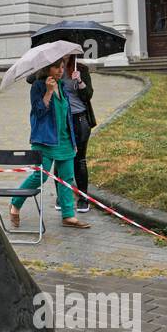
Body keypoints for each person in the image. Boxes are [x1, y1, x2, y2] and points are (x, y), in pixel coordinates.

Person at [10, 59, 90, 230]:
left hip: (65, 140)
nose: (61, 71)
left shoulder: (62, 86)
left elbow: (67, 115)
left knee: (67, 178)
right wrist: (48, 92)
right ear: (47, 68)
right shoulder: (38, 86)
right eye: (57, 67)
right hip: (45, 140)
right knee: (40, 176)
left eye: (62, 67)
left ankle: (68, 216)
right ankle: (15, 204)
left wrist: (73, 141)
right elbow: (38, 112)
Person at [62, 54, 96, 213]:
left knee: (79, 159)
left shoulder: (80, 69)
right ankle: (62, 196)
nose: (64, 54)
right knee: (60, 158)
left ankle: (83, 198)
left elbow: (88, 95)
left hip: (79, 119)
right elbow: (30, 80)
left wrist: (80, 81)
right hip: (61, 120)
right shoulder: (52, 69)